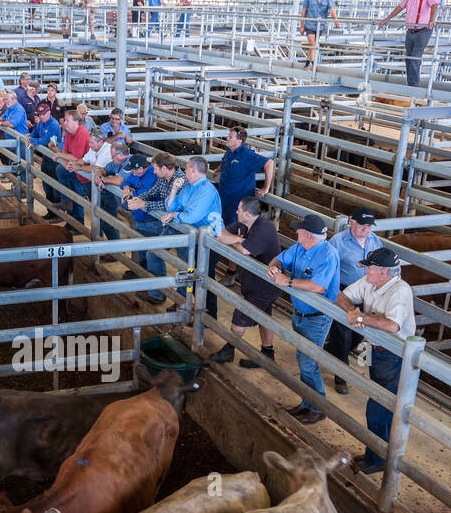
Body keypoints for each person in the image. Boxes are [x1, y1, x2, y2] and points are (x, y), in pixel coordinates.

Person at [335, 247, 417, 476]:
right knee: (378, 402)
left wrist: (362, 318)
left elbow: (393, 325)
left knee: (380, 408)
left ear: (383, 272)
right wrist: (353, 312)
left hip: (392, 354)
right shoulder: (371, 281)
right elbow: (341, 296)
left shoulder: (400, 291)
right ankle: (376, 453)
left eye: (369, 268)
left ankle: (379, 458)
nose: (365, 271)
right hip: (375, 348)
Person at [267, 214, 341, 425]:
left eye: (299, 230)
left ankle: (318, 408)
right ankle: (308, 404)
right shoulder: (300, 247)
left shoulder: (328, 254)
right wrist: (275, 267)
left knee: (308, 363)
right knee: (304, 360)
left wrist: (287, 281)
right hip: (300, 312)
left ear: (307, 234)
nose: (296, 232)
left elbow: (319, 286)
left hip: (317, 316)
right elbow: (280, 259)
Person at [210, 198, 282, 366]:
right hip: (253, 282)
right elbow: (221, 234)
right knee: (264, 317)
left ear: (247, 214)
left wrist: (237, 241)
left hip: (266, 285)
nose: (236, 212)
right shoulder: (244, 224)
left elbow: (245, 250)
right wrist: (239, 239)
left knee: (239, 319)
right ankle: (267, 354)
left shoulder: (265, 227)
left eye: (239, 210)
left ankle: (228, 350)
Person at [146, 157, 223, 303]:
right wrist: (174, 189)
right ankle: (162, 294)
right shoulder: (188, 186)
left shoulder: (207, 191)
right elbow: (170, 206)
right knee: (154, 254)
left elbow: (191, 217)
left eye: (186, 168)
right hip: (186, 231)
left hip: (205, 239)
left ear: (192, 171)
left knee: (194, 273)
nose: (184, 171)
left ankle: (186, 305)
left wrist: (174, 214)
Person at [327, 208, 382, 393]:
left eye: (368, 226)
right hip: (345, 292)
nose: (365, 229)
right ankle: (340, 376)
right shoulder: (338, 241)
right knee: (342, 333)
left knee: (359, 333)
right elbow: (329, 266)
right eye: (361, 225)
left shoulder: (375, 240)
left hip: (368, 292)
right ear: (351, 222)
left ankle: (333, 352)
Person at [378, 0, 441, 87]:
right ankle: (410, 83)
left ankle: (414, 85)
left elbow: (434, 5)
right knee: (408, 57)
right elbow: (400, 7)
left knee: (415, 57)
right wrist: (386, 19)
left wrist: (432, 20)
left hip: (423, 30)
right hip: (410, 30)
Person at [215, 125, 273, 227]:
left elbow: (269, 163)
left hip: (238, 204)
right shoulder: (230, 151)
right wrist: (218, 169)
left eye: (230, 137)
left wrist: (266, 187)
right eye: (228, 136)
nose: (227, 139)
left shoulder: (246, 155)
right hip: (224, 198)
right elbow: (225, 161)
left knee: (234, 229)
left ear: (239, 141)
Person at [48, 109, 90, 212]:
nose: (64, 123)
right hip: (74, 168)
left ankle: (77, 224)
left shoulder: (82, 133)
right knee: (60, 169)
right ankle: (67, 203)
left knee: (77, 197)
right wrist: (64, 160)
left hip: (83, 172)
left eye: (67, 121)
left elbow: (77, 157)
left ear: (76, 122)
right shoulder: (69, 132)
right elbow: (66, 152)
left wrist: (59, 155)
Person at [300, 0, 340, 66]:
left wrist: (336, 21)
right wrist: (302, 25)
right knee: (313, 44)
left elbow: (331, 9)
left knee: (312, 46)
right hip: (310, 24)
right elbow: (304, 10)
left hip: (320, 26)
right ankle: (314, 64)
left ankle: (307, 62)